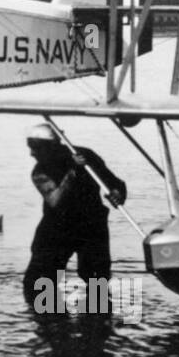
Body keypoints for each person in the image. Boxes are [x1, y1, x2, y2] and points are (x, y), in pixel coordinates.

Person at [22, 123, 127, 310]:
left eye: (35, 148)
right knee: (39, 280)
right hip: (58, 226)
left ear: (50, 146)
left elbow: (113, 181)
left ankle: (98, 326)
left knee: (96, 280)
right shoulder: (40, 172)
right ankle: (51, 323)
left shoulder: (86, 156)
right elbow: (56, 201)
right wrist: (75, 171)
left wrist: (118, 193)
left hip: (91, 223)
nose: (32, 154)